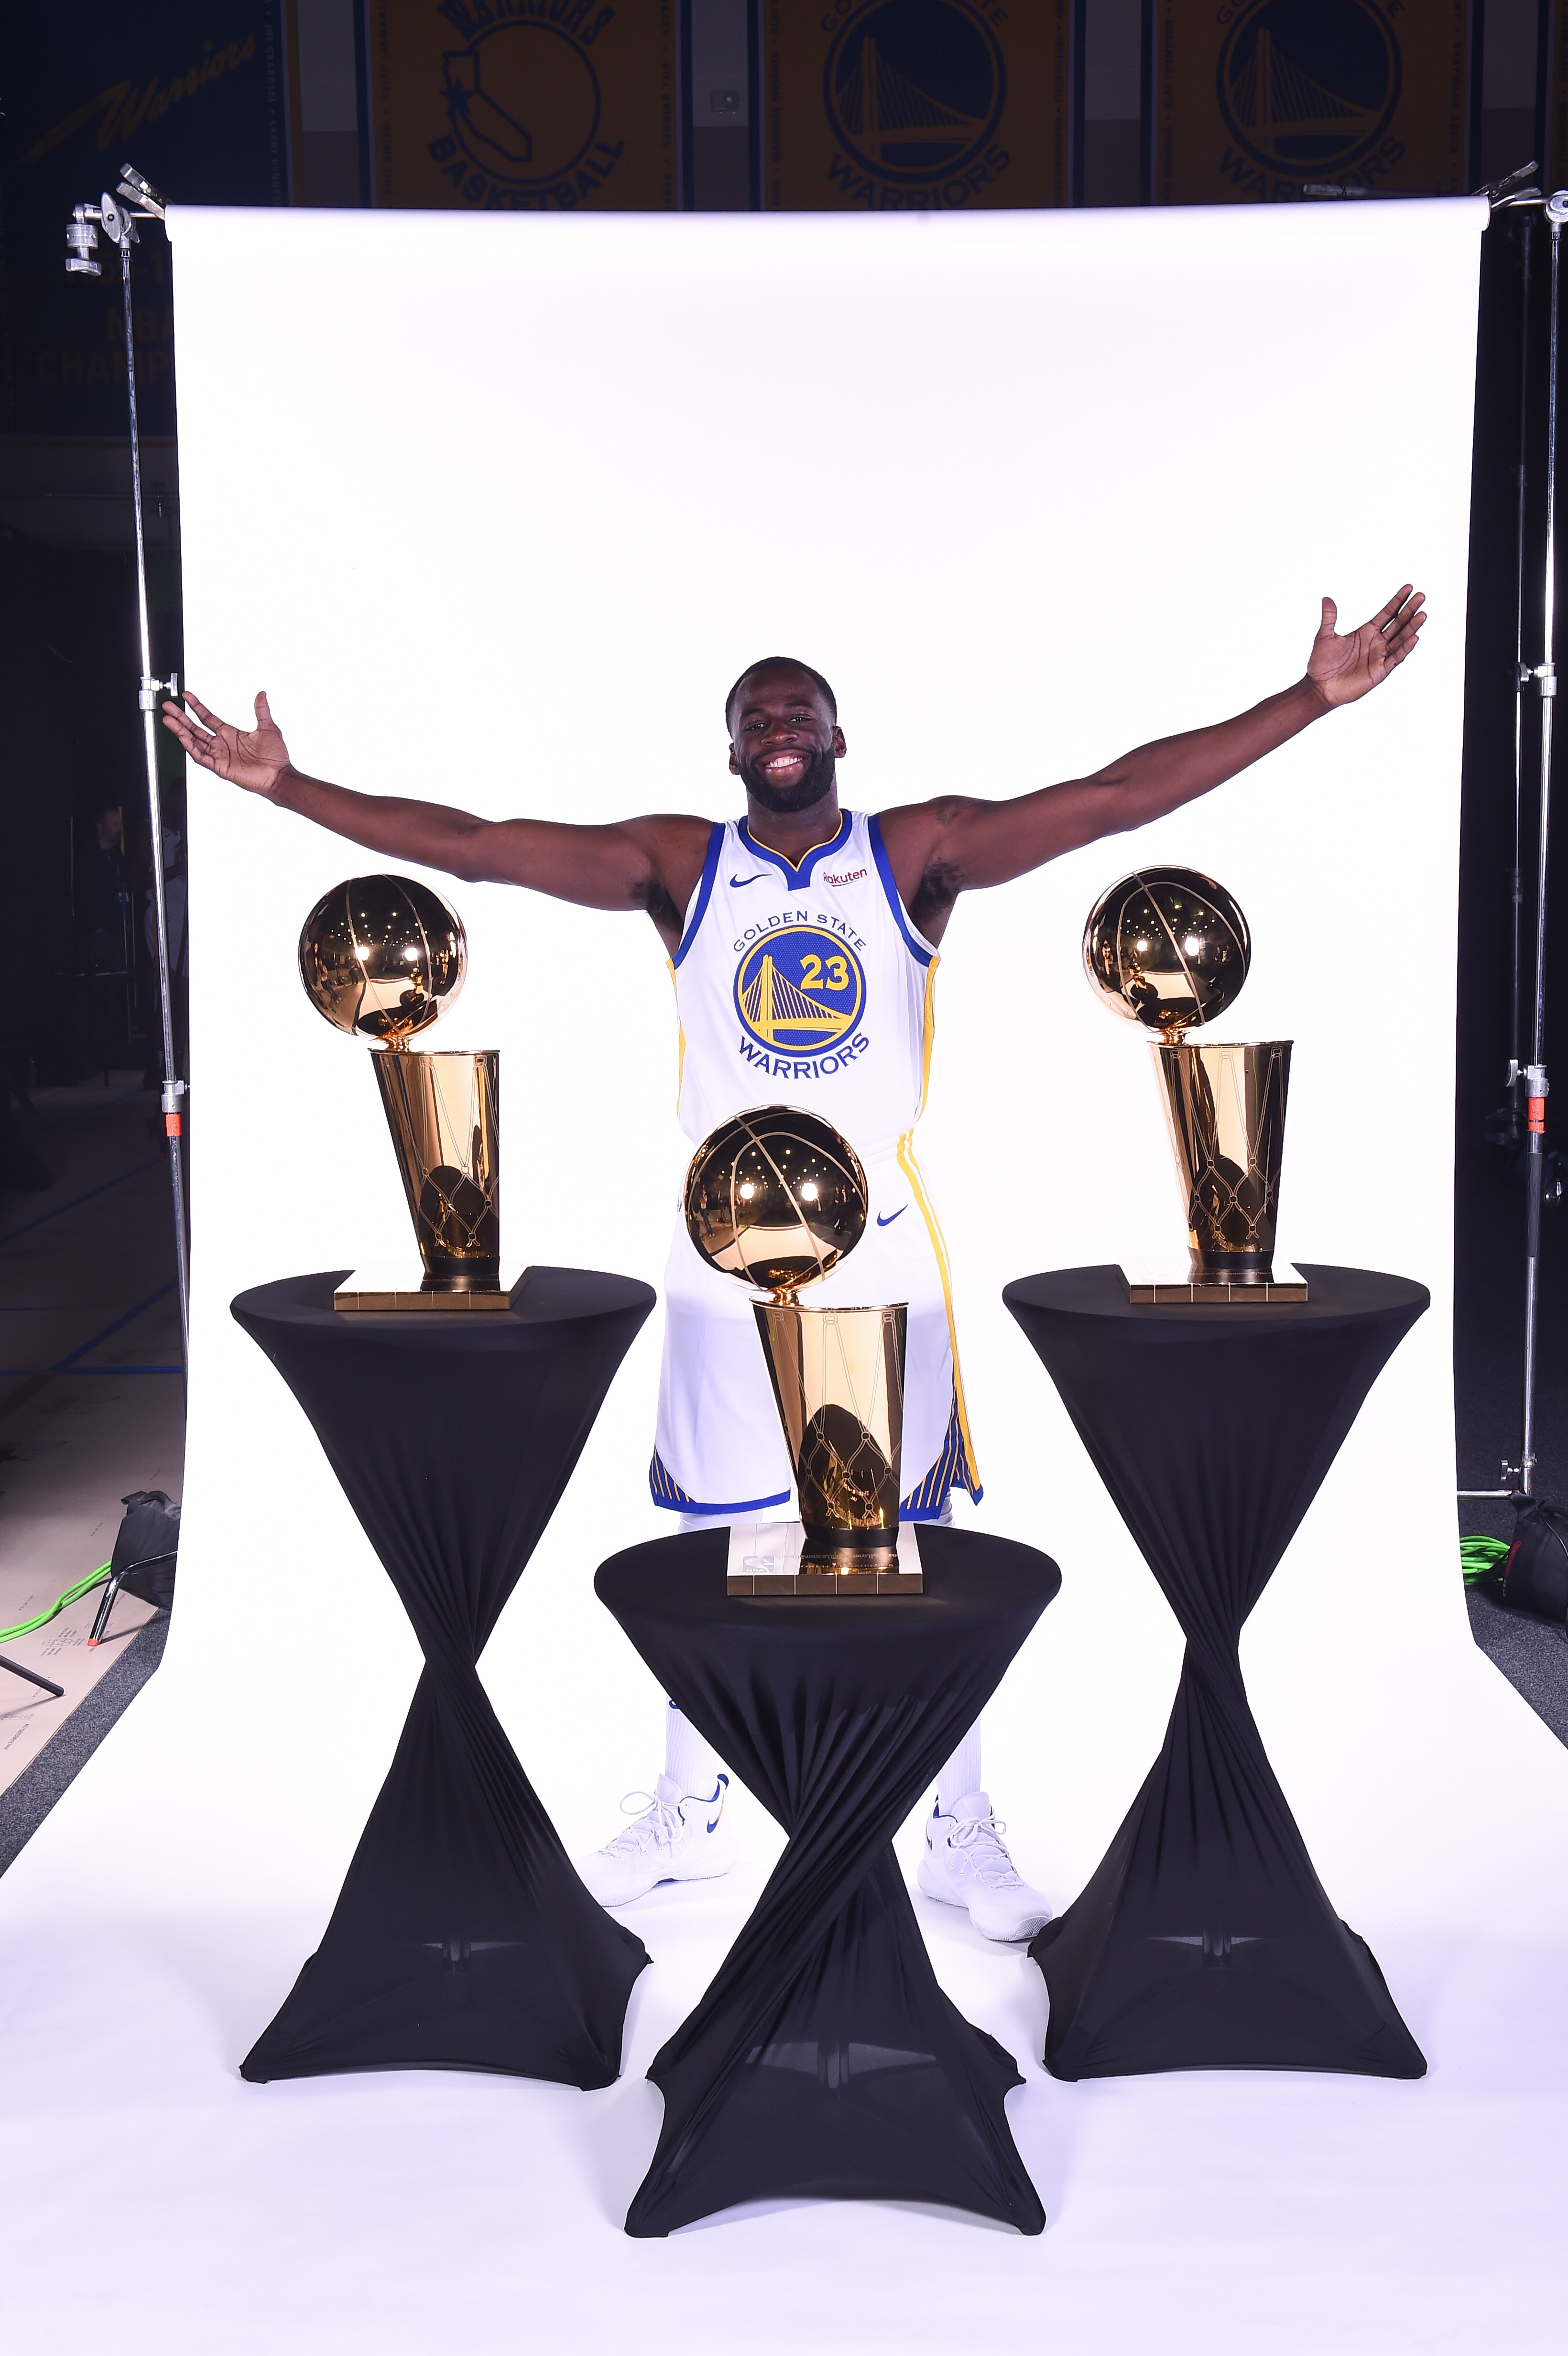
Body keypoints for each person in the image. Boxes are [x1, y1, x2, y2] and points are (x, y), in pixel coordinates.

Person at [163, 582, 1425, 1939]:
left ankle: (960, 1829)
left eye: (798, 707)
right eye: (755, 712)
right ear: (731, 751)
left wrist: (1308, 701)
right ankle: (694, 1810)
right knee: (721, 1532)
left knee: (911, 1543)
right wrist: (288, 790)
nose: (779, 723)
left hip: (878, 1249)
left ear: (836, 734)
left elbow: (1118, 798)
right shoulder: (680, 865)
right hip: (722, 1251)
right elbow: (480, 850)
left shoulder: (915, 853)